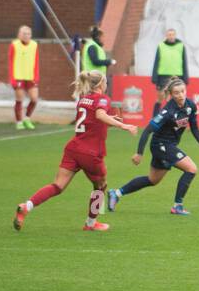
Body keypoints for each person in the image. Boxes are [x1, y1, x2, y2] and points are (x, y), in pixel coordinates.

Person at [13, 70, 138, 232]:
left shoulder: (83, 99)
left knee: (58, 185)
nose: (106, 85)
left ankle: (26, 206)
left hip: (73, 148)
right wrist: (124, 125)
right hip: (91, 152)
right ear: (100, 84)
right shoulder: (102, 99)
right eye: (105, 82)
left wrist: (111, 119)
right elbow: (99, 114)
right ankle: (91, 224)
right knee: (101, 186)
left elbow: (91, 119)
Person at [108, 77, 199, 216]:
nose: (180, 95)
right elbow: (147, 130)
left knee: (152, 180)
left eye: (182, 91)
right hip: (161, 145)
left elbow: (194, 126)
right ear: (170, 94)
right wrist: (139, 153)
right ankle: (177, 206)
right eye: (176, 93)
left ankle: (116, 193)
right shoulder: (167, 112)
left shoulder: (190, 106)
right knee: (191, 169)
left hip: (168, 145)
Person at [151, 27, 189, 112]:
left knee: (177, 98)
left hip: (177, 76)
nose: (171, 36)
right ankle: (155, 118)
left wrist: (185, 78)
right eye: (169, 35)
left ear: (175, 35)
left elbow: (184, 62)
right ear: (166, 36)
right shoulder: (161, 46)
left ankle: (176, 119)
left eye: (172, 35)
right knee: (160, 97)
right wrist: (154, 77)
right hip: (163, 76)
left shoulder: (181, 46)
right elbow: (156, 62)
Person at [10, 24, 40, 129]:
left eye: (28, 33)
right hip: (18, 76)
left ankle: (27, 118)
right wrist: (12, 79)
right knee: (20, 99)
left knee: (34, 99)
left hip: (31, 77)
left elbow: (36, 62)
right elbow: (11, 62)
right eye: (24, 33)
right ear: (19, 35)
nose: (27, 35)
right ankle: (19, 122)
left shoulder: (34, 45)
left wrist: (36, 76)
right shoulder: (14, 45)